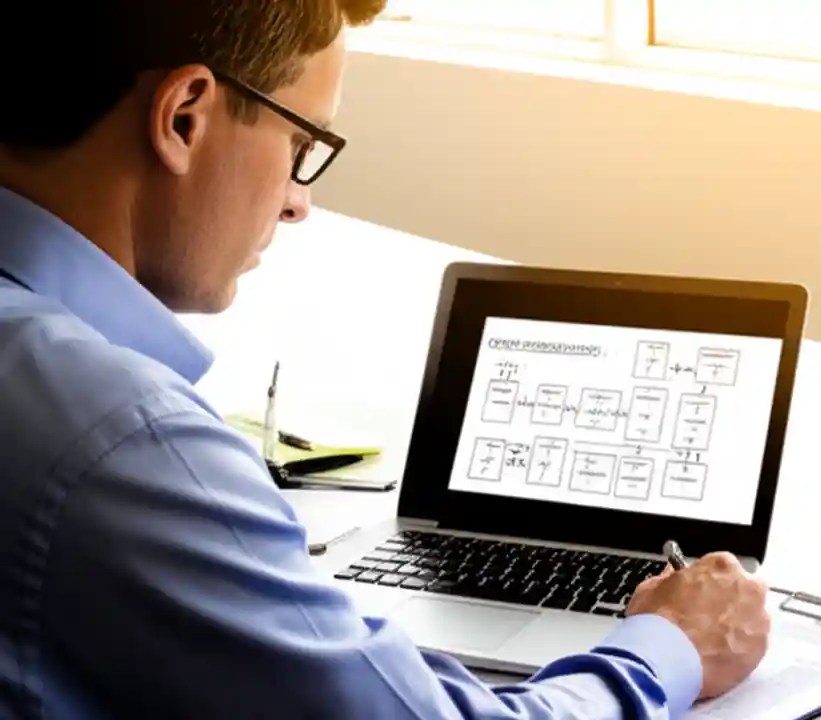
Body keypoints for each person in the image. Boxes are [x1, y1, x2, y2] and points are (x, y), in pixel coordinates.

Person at [0, 2, 770, 718]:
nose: (298, 201)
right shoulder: (122, 439)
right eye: (302, 143)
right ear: (185, 116)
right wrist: (669, 648)